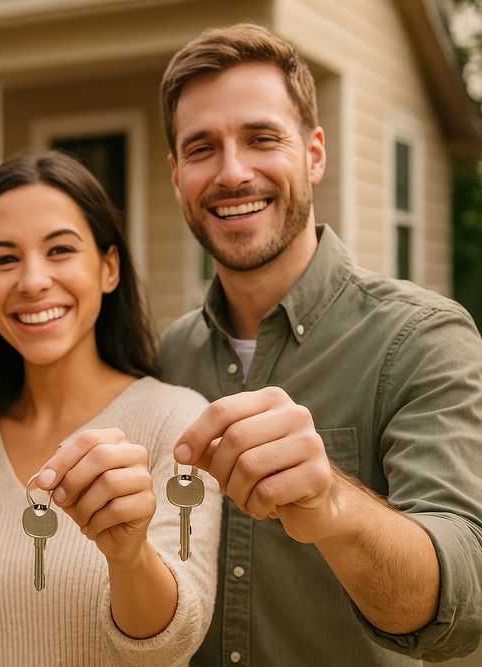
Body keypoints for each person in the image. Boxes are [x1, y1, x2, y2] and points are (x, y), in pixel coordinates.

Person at [159, 23, 482, 665]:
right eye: (202, 148)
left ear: (314, 153)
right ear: (176, 176)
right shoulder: (168, 360)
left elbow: (465, 601)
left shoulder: (422, 339)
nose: (232, 172)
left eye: (261, 138)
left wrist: (333, 503)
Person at [0, 152, 220, 666]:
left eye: (60, 250)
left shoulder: (177, 422)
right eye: (4, 259)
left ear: (108, 268)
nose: (32, 280)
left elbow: (176, 637)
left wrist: (129, 555)